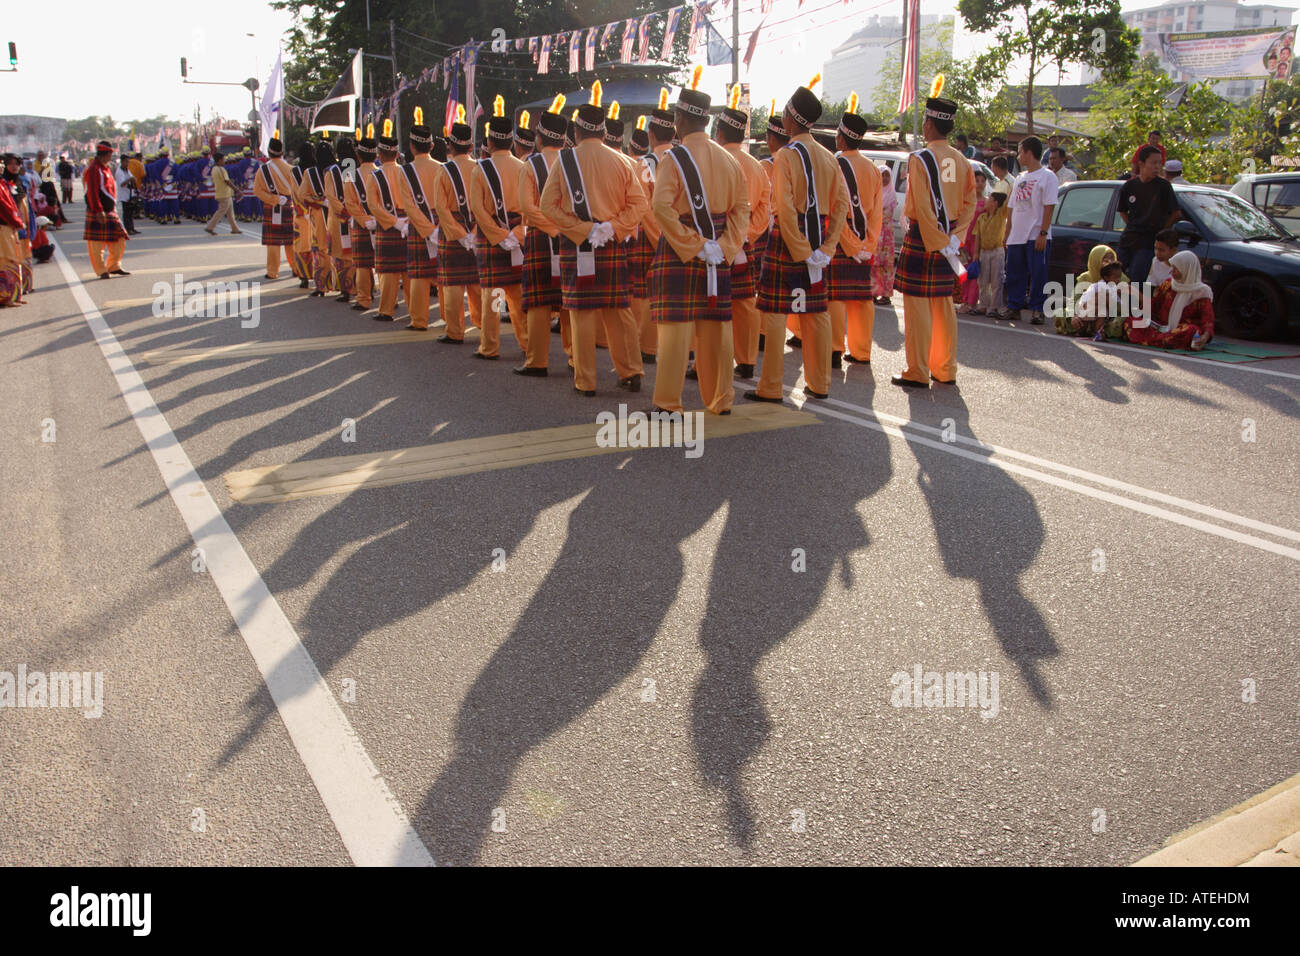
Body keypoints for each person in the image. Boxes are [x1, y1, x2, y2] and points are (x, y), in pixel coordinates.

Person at [539, 90, 649, 397]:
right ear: (602, 131)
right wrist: (612, 227)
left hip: (578, 246)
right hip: (612, 244)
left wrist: (582, 230)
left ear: (576, 131)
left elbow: (548, 206)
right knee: (619, 311)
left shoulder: (565, 160)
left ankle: (585, 381)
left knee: (581, 313)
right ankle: (631, 372)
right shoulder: (623, 160)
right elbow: (640, 205)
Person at [648, 76, 748, 415]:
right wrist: (726, 246)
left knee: (675, 329)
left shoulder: (673, 159)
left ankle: (668, 403)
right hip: (718, 249)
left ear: (679, 119)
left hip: (682, 249)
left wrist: (693, 245)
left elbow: (661, 208)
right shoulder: (731, 160)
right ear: (706, 120)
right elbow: (741, 209)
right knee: (717, 327)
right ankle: (721, 400)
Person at [748, 80, 849, 403]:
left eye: (785, 115)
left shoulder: (785, 156)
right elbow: (841, 205)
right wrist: (825, 249)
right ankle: (819, 384)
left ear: (792, 119)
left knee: (776, 312)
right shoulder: (829, 156)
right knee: (815, 312)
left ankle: (771, 387)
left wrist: (802, 250)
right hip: (820, 236)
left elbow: (784, 208)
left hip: (791, 240)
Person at [890, 85, 977, 389]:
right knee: (943, 307)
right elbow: (970, 203)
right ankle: (946, 368)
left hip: (925, 239)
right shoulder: (962, 160)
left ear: (929, 123)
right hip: (949, 237)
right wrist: (956, 238)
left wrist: (939, 241)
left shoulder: (920, 159)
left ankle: (918, 370)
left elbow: (924, 208)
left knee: (917, 308)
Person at [713, 92, 772, 379]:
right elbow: (765, 206)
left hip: (715, 242)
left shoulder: (713, 159)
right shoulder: (756, 165)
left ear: (720, 132)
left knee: (710, 301)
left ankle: (705, 362)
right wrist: (747, 235)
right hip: (744, 244)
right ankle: (747, 360)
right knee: (746, 303)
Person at [471, 100, 528, 360]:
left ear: (490, 141)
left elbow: (478, 210)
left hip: (493, 236)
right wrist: (517, 233)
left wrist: (497, 236)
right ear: (511, 141)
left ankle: (490, 346)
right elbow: (531, 204)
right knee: (517, 294)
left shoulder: (480, 168)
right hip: (518, 234)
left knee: (493, 295)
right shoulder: (523, 166)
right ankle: (528, 344)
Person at [828, 103, 883, 367]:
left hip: (841, 239)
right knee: (863, 299)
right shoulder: (872, 168)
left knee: (835, 297)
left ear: (841, 136)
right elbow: (877, 213)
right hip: (864, 240)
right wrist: (867, 245)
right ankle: (861, 352)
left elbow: (833, 210)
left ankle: (834, 350)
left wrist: (850, 244)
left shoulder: (834, 165)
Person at [516, 104, 568, 377]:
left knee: (538, 303)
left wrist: (550, 229)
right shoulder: (574, 161)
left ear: (540, 137)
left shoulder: (531, 165)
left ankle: (537, 361)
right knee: (571, 301)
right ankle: (575, 358)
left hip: (540, 235)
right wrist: (562, 228)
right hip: (572, 234)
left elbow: (527, 206)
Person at [629, 91, 677, 366]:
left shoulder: (644, 164)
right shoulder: (686, 159)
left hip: (653, 239)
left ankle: (647, 347)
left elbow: (644, 207)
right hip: (683, 238)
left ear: (651, 134)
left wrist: (658, 236)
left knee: (646, 295)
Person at [434, 114, 484, 341]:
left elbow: (441, 209)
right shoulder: (483, 168)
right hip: (480, 228)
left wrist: (459, 234)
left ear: (450, 146)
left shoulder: (444, 171)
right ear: (472, 146)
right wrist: (473, 233)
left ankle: (455, 331)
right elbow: (488, 206)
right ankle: (487, 323)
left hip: (453, 232)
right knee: (481, 282)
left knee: (452, 285)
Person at [999, 135, 1057, 324]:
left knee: (1038, 273)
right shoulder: (1020, 178)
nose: (1017, 156)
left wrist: (1043, 232)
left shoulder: (1048, 176)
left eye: (1020, 152)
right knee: (1015, 272)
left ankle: (1037, 309)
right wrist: (1007, 232)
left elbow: (1049, 206)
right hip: (1017, 235)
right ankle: (1014, 306)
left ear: (1029, 152)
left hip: (1036, 235)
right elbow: (1011, 207)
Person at [395, 116, 442, 331]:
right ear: (431, 145)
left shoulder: (347, 170)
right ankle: (454, 322)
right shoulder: (444, 167)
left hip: (410, 224)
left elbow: (410, 206)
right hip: (444, 223)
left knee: (418, 276)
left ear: (411, 147)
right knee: (444, 277)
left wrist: (426, 229)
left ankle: (418, 319)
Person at [1116, 144, 1180, 284]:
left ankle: (1135, 305)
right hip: (1128, 238)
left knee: (1137, 277)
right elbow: (1122, 210)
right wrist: (1133, 224)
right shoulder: (1129, 186)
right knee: (1114, 273)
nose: (1157, 167)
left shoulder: (1163, 187)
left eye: (1160, 163)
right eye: (1154, 163)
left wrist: (1162, 230)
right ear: (1141, 164)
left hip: (1148, 241)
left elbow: (1176, 213)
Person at [1125, 250, 1213, 350]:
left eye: (1176, 269)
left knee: (1191, 331)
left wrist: (1205, 337)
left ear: (1187, 270)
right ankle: (1161, 340)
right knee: (1131, 322)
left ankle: (1156, 339)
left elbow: (1207, 320)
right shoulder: (1168, 284)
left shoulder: (1201, 292)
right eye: (1172, 267)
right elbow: (1153, 306)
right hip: (1160, 327)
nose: (1172, 271)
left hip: (1180, 329)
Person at [370, 121, 410, 322]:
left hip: (388, 225)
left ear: (380, 154)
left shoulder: (375, 176)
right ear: (396, 154)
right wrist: (405, 221)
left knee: (388, 272)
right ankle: (415, 312)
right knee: (409, 271)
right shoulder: (406, 172)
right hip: (408, 223)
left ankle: (386, 310)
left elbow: (374, 206)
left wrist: (393, 222)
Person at [80, 141, 130, 279]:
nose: (111, 157)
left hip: (110, 210)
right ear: (106, 154)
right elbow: (92, 191)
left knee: (119, 239)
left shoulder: (105, 168)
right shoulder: (93, 169)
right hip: (99, 210)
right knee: (97, 244)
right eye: (110, 154)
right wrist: (98, 210)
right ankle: (101, 270)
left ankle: (114, 266)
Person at [252, 134, 298, 280]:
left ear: (269, 152)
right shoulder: (291, 168)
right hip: (289, 206)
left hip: (272, 208)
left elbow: (257, 190)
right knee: (291, 241)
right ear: (282, 152)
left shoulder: (263, 170)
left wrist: (274, 199)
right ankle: (296, 268)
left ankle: (272, 272)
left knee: (273, 242)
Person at [343, 133, 380, 312]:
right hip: (383, 222)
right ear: (376, 155)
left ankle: (364, 298)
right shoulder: (383, 171)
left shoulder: (350, 174)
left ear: (358, 155)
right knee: (384, 264)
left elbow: (349, 202)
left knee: (363, 264)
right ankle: (390, 299)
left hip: (360, 223)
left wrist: (364, 220)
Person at [1060, 243, 1127, 336]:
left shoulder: (1121, 278)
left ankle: (1098, 331)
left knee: (1120, 321)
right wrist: (1074, 316)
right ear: (1095, 260)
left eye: (1112, 258)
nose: (1110, 262)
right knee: (1064, 315)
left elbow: (1124, 307)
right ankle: (1085, 328)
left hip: (1110, 315)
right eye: (1105, 259)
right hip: (1086, 311)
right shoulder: (1085, 278)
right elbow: (1075, 300)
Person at [320, 137, 356, 304]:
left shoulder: (331, 171)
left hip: (338, 218)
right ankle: (361, 286)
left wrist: (342, 210)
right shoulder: (355, 167)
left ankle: (345, 289)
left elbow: (330, 195)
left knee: (341, 254)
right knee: (357, 253)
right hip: (355, 217)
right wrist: (351, 209)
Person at [971, 184, 1008, 316]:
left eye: (989, 199)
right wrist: (976, 253)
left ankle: (994, 307)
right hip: (984, 251)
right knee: (983, 280)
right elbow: (977, 237)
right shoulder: (981, 218)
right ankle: (983, 305)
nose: (986, 201)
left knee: (996, 280)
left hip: (997, 250)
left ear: (995, 203)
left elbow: (1007, 202)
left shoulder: (1000, 215)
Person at [0, 156, 26, 306]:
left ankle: (14, 294)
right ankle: (5, 297)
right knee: (6, 260)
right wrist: (17, 221)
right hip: (4, 226)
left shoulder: (3, 183)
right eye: (2, 163)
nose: (2, 166)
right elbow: (4, 207)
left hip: (10, 226)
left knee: (13, 259)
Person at [872, 165, 897, 304]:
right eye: (882, 175)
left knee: (886, 264)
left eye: (887, 175)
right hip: (876, 233)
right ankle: (874, 292)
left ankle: (886, 295)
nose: (885, 178)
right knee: (874, 263)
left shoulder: (892, 194)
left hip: (887, 234)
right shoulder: (874, 193)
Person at [203, 152, 241, 235]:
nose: (224, 162)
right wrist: (237, 190)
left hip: (224, 193)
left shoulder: (214, 169)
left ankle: (235, 229)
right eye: (223, 160)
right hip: (224, 194)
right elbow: (227, 181)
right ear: (219, 160)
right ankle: (210, 227)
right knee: (220, 211)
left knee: (230, 213)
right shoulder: (221, 169)